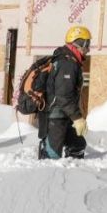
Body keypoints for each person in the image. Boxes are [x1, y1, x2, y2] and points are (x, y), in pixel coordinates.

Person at [38, 25, 90, 160]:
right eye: (86, 44)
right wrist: (77, 118)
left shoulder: (70, 61)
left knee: (77, 145)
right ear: (77, 43)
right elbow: (63, 96)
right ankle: (45, 173)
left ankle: (73, 174)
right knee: (52, 157)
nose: (88, 48)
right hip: (56, 116)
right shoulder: (67, 63)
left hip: (64, 114)